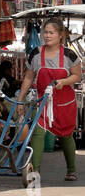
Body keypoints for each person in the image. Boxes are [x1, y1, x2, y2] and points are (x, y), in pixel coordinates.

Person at [17, 18, 82, 182]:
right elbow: (29, 77)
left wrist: (64, 82)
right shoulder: (36, 54)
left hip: (65, 103)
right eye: (45, 32)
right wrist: (20, 99)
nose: (47, 35)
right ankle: (35, 171)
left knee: (66, 135)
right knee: (38, 133)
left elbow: (77, 76)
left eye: (51, 32)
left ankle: (71, 170)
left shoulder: (69, 54)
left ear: (60, 35)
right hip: (43, 102)